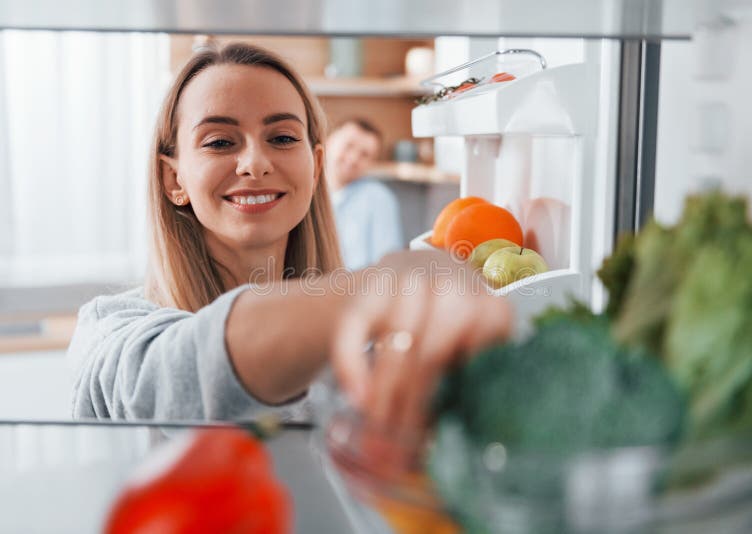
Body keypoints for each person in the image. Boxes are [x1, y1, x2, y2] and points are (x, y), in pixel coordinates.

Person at [66, 43, 512, 436]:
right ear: (172, 178)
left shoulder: (364, 353)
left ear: (316, 166)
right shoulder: (109, 331)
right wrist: (375, 289)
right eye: (220, 142)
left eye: (281, 137)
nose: (255, 163)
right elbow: (178, 375)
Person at [326, 118, 404, 270]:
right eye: (349, 146)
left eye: (365, 155)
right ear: (328, 141)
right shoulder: (304, 193)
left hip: (356, 290)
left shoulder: (379, 199)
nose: (353, 158)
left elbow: (388, 266)